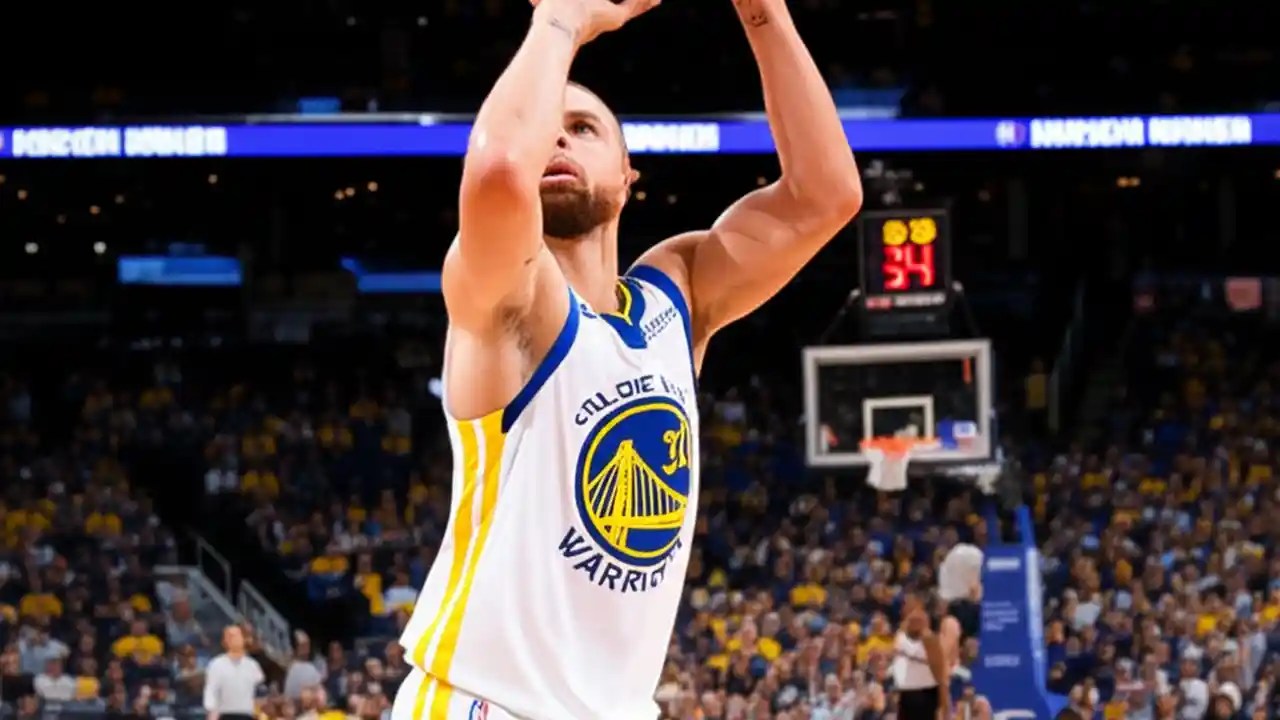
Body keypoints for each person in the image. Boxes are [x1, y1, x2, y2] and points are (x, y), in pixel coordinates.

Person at [390, 0, 862, 715]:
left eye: (581, 130)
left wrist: (764, 12)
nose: (556, 141)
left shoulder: (676, 295)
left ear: (627, 173)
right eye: (545, 129)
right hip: (486, 703)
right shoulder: (510, 300)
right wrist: (561, 22)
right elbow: (495, 174)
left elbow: (826, 196)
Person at [892, 595, 951, 720]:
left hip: (924, 695)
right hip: (906, 694)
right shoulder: (900, 634)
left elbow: (940, 675)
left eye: (915, 610)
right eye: (908, 610)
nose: (912, 615)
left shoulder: (929, 639)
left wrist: (945, 706)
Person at [203, 624, 265, 720]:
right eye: (230, 636)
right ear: (224, 642)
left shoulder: (252, 665)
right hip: (225, 715)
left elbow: (258, 690)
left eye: (237, 636)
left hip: (247, 715)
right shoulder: (217, 664)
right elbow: (211, 692)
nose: (235, 639)